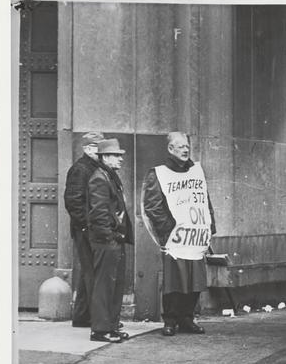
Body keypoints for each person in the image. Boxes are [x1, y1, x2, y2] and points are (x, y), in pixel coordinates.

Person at [141, 132, 215, 336]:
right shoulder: (160, 173)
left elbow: (204, 201)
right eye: (180, 146)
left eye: (187, 146)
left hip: (195, 236)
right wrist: (170, 230)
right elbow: (152, 206)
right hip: (176, 237)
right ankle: (171, 320)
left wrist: (208, 228)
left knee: (195, 280)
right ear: (170, 149)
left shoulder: (195, 172)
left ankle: (187, 318)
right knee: (174, 281)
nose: (185, 149)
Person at [87, 138, 133, 343]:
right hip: (106, 241)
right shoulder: (100, 178)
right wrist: (110, 237)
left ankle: (111, 327)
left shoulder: (108, 176)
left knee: (114, 286)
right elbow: (98, 214)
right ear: (105, 157)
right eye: (116, 155)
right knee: (105, 286)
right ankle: (100, 330)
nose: (120, 159)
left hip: (113, 240)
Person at [63, 131, 104, 327]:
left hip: (88, 228)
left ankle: (82, 317)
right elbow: (73, 201)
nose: (101, 150)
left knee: (89, 272)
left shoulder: (93, 167)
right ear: (87, 149)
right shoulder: (81, 169)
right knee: (91, 273)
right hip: (86, 230)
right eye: (97, 146)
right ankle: (96, 319)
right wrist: (86, 227)